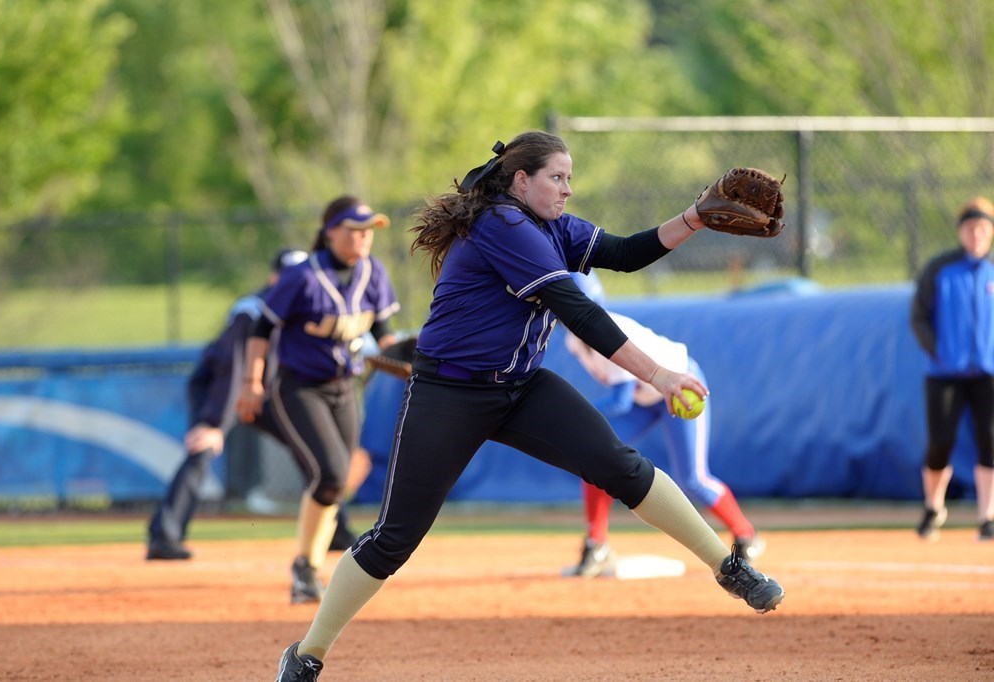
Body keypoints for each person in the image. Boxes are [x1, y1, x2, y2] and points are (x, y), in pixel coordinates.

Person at [275, 131, 784, 680]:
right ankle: (307, 654)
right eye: (556, 177)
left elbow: (626, 253)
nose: (568, 188)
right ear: (521, 180)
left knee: (620, 464)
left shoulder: (551, 227)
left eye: (570, 178)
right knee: (393, 540)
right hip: (450, 393)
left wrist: (693, 218)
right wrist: (658, 374)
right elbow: (576, 311)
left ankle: (728, 566)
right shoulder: (503, 224)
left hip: (519, 388)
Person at [236, 195, 400, 604]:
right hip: (299, 386)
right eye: (354, 229)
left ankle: (307, 570)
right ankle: (305, 569)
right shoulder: (302, 276)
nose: (363, 237)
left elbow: (384, 334)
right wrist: (251, 382)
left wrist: (406, 358)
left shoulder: (372, 272)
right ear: (330, 233)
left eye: (369, 231)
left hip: (345, 387)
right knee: (329, 473)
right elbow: (261, 327)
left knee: (339, 479)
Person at [563, 271, 764, 578]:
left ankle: (746, 534)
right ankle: (597, 544)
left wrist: (573, 414)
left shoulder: (607, 330)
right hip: (645, 397)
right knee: (596, 459)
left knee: (693, 478)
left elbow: (619, 402)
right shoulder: (574, 341)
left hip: (680, 385)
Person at [146, 248, 309, 560]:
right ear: (274, 278)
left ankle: (336, 532)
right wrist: (214, 422)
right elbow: (232, 367)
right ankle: (164, 536)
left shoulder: (303, 309)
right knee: (203, 448)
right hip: (221, 387)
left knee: (311, 449)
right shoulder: (251, 309)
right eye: (289, 277)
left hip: (262, 391)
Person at [910, 196, 994, 542]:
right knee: (940, 443)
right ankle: (933, 507)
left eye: (983, 228)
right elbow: (918, 316)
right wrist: (937, 350)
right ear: (961, 231)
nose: (976, 234)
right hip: (945, 373)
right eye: (971, 227)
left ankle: (987, 516)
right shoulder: (940, 268)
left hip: (987, 373)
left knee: (990, 441)